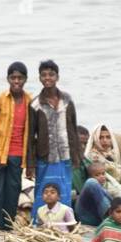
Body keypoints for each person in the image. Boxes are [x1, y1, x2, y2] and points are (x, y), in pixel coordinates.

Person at [0, 62, 33, 237]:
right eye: (13, 77)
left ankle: (6, 233)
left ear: (25, 79)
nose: (16, 81)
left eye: (20, 78)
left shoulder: (30, 101)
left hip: (18, 157)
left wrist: (30, 161)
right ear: (8, 79)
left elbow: (32, 132)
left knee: (11, 197)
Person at [30, 60, 83, 222]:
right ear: (39, 78)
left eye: (51, 75)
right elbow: (31, 136)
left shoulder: (67, 100)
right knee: (42, 192)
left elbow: (73, 128)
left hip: (65, 155)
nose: (48, 78)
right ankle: (38, 224)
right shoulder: (35, 104)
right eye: (44, 75)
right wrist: (30, 164)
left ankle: (64, 225)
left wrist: (78, 155)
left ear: (57, 77)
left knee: (64, 192)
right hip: (45, 157)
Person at [82, 121, 121, 195]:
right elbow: (118, 173)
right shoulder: (93, 156)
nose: (105, 140)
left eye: (108, 137)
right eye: (101, 137)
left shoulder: (111, 153)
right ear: (95, 139)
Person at [75, 158, 113, 227]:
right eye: (97, 175)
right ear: (90, 176)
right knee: (91, 182)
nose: (101, 177)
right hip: (85, 218)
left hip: (96, 221)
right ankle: (110, 218)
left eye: (103, 174)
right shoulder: (90, 183)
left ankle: (112, 218)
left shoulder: (105, 188)